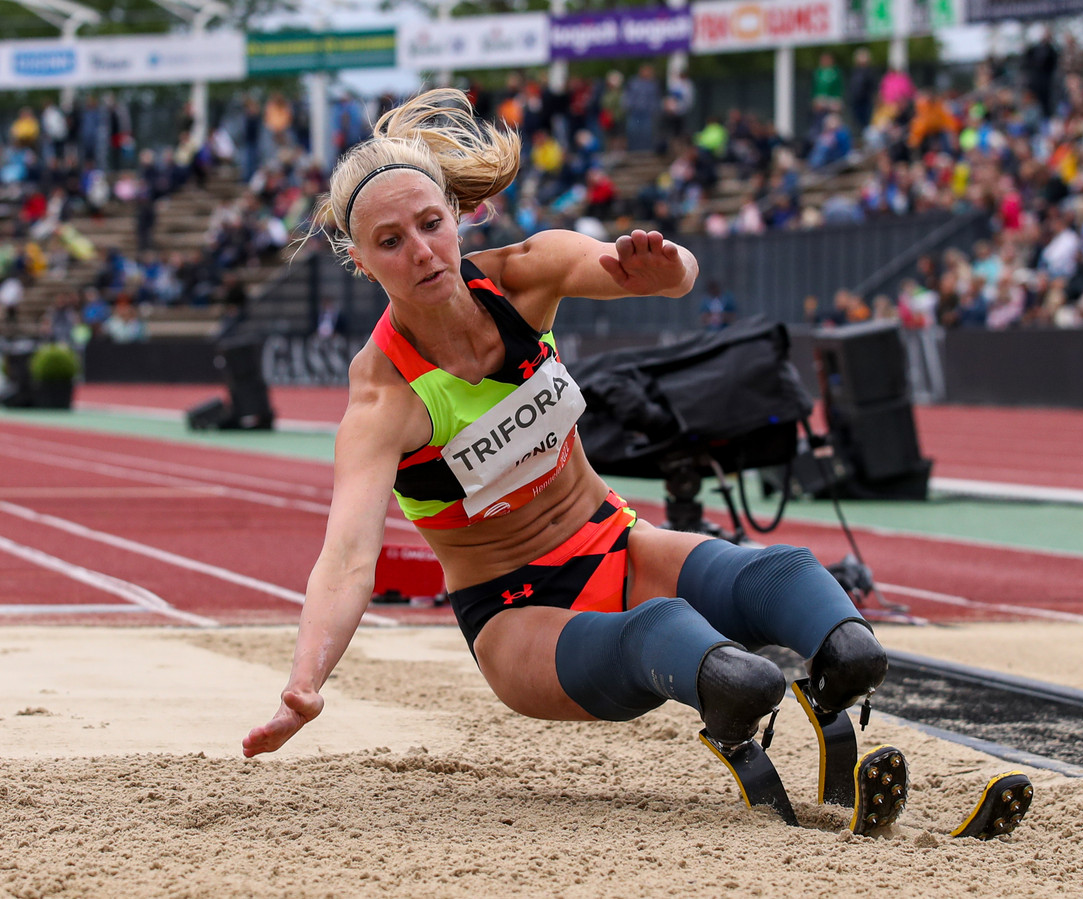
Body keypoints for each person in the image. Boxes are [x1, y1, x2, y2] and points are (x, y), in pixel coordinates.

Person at [237, 88, 958, 835]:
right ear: (360, 263)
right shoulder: (383, 398)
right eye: (390, 242)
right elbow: (348, 558)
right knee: (690, 647)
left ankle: (830, 709)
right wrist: (304, 683)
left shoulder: (525, 274)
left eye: (428, 223)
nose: (420, 251)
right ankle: (738, 724)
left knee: (818, 606)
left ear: (457, 214)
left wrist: (664, 267)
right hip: (518, 611)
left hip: (615, 542)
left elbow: (662, 271)